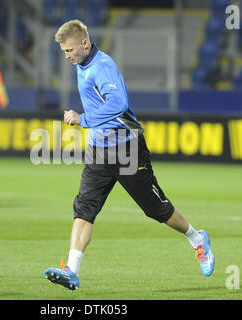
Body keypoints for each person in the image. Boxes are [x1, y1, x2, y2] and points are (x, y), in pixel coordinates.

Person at [44, 20, 214, 290]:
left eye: (70, 50)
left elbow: (119, 103)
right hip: (99, 150)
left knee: (156, 208)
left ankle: (197, 238)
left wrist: (83, 118)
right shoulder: (82, 63)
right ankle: (71, 270)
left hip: (126, 147)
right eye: (64, 52)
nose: (67, 57)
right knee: (84, 208)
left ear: (85, 44)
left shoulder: (102, 67)